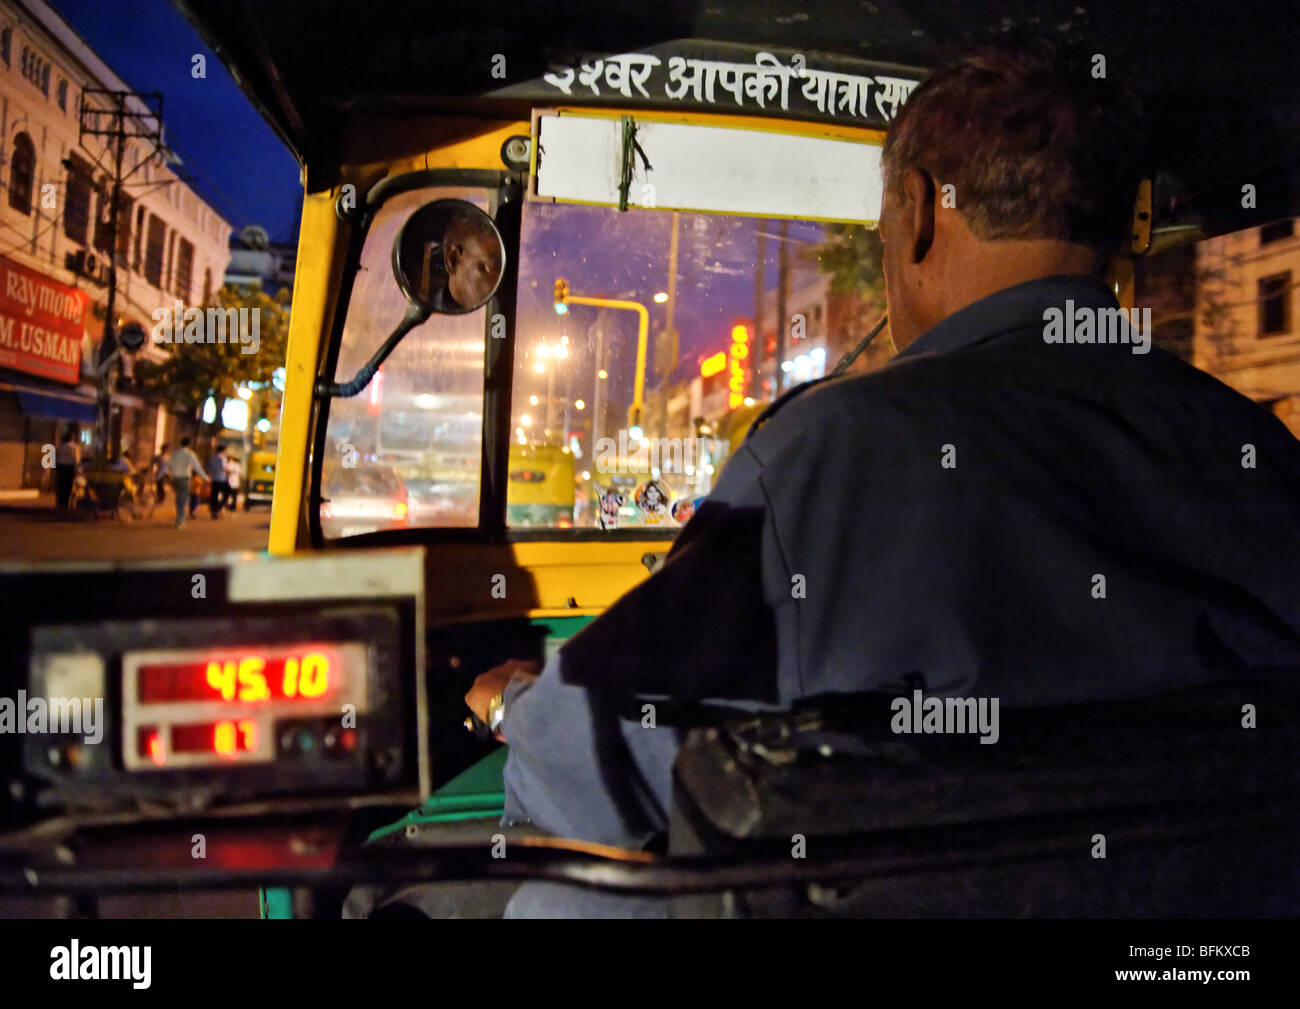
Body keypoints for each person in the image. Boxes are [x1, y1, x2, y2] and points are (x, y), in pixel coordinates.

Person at [463, 38, 1300, 917]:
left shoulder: (830, 458)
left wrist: (513, 707)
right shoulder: (1259, 452)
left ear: (920, 212)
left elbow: (593, 760)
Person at [167, 438, 204, 528]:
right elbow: (197, 467)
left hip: (175, 479)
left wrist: (159, 476)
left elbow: (166, 465)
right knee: (183, 499)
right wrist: (205, 477)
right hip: (184, 479)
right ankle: (180, 521)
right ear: (189, 444)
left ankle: (179, 518)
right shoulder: (190, 454)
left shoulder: (175, 453)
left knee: (179, 498)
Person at [54, 429, 79, 512]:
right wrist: (76, 470)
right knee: (68, 486)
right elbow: (75, 459)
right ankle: (65, 503)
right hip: (69, 467)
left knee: (60, 485)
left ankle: (60, 503)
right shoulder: (73, 446)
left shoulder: (60, 446)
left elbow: (56, 457)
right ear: (71, 438)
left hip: (61, 466)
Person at [207, 444, 230, 519]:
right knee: (226, 494)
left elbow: (209, 467)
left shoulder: (213, 458)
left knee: (214, 496)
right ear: (223, 450)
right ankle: (219, 507)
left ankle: (214, 511)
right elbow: (224, 468)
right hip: (221, 479)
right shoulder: (223, 458)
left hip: (214, 479)